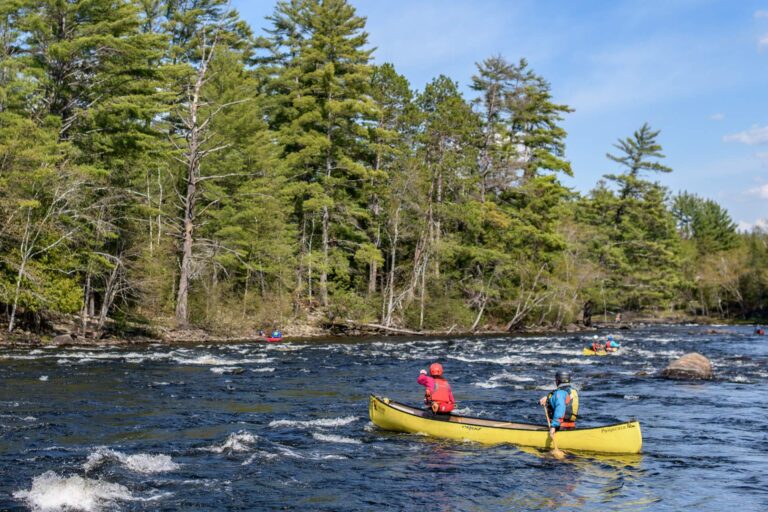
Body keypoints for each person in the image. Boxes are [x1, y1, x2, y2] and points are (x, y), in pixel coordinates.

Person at [538, 370, 579, 438]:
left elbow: (560, 408)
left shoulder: (560, 393)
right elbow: (564, 400)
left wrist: (553, 426)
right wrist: (547, 399)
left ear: (557, 381)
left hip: (560, 428)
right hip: (571, 427)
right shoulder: (572, 391)